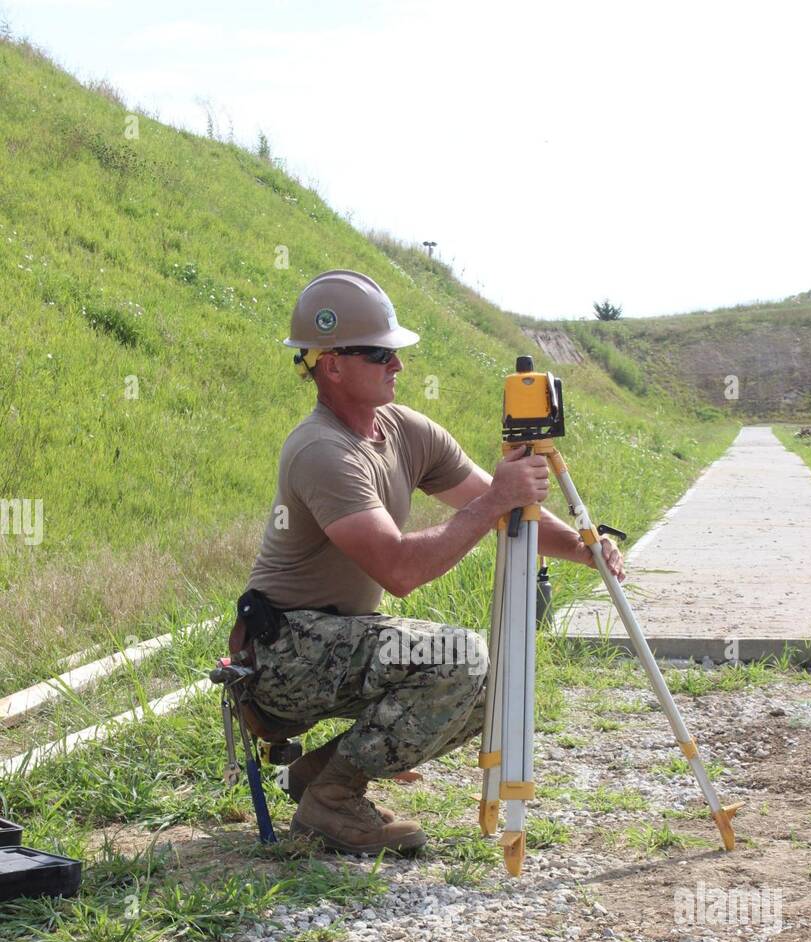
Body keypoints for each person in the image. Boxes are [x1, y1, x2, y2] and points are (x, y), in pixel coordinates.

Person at [240, 269, 624, 856]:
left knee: (498, 677)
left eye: (395, 353)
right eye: (379, 354)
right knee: (459, 655)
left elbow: (495, 503)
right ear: (330, 364)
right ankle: (334, 803)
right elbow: (400, 570)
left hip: (339, 640)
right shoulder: (322, 451)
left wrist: (582, 549)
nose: (396, 365)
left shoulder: (402, 431)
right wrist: (498, 497)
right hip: (284, 653)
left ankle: (315, 777)